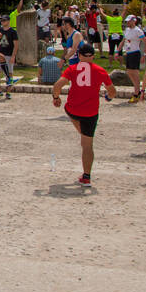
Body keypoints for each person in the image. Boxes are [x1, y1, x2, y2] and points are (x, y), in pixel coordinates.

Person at [50, 42, 116, 187]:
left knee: (72, 114)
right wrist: (108, 98)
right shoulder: (100, 70)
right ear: (93, 56)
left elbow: (57, 86)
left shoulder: (72, 69)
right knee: (87, 144)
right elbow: (112, 91)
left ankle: (84, 133)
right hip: (90, 112)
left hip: (73, 109)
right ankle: (87, 176)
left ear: (79, 55)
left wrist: (56, 98)